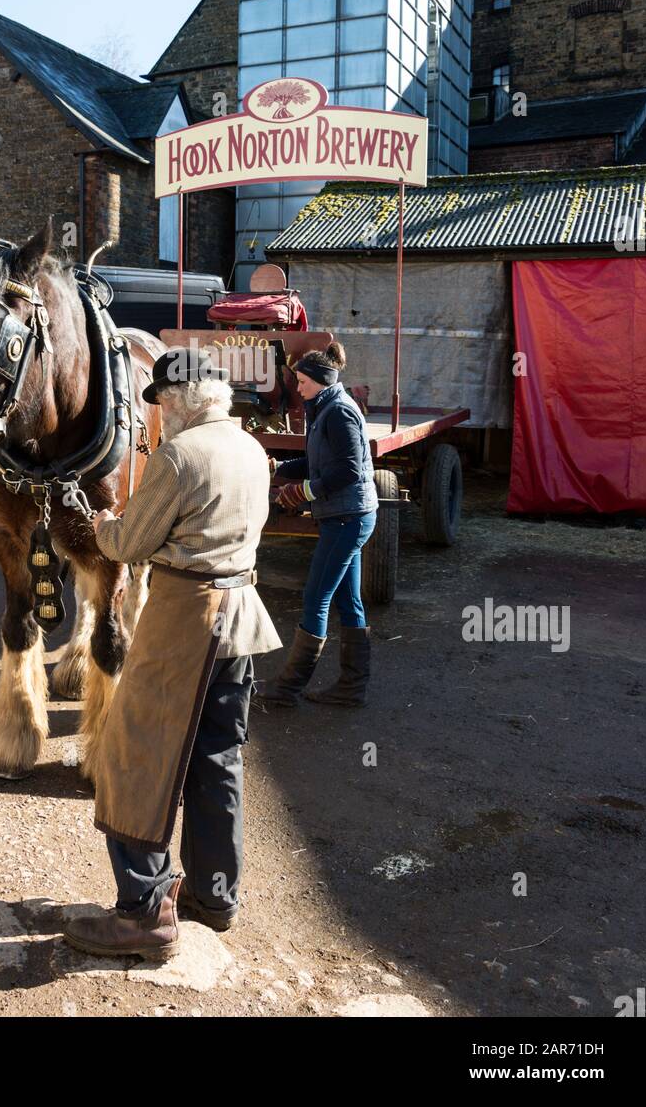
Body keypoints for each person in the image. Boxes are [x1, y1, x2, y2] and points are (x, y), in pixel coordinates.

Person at [62, 346, 281, 963]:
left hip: (186, 621)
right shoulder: (248, 449)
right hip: (241, 617)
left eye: (158, 405)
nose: (157, 416)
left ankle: (142, 912)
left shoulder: (178, 456)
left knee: (136, 752)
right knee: (217, 758)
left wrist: (101, 519)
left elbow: (129, 543)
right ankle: (215, 896)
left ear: (177, 403)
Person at [260, 340, 378, 709]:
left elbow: (349, 471)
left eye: (301, 381)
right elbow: (316, 463)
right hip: (349, 515)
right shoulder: (325, 408)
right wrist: (278, 470)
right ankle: (351, 687)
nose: (298, 388)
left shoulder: (339, 412)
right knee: (348, 599)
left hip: (348, 517)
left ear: (319, 380)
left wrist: (304, 492)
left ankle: (288, 688)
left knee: (316, 596)